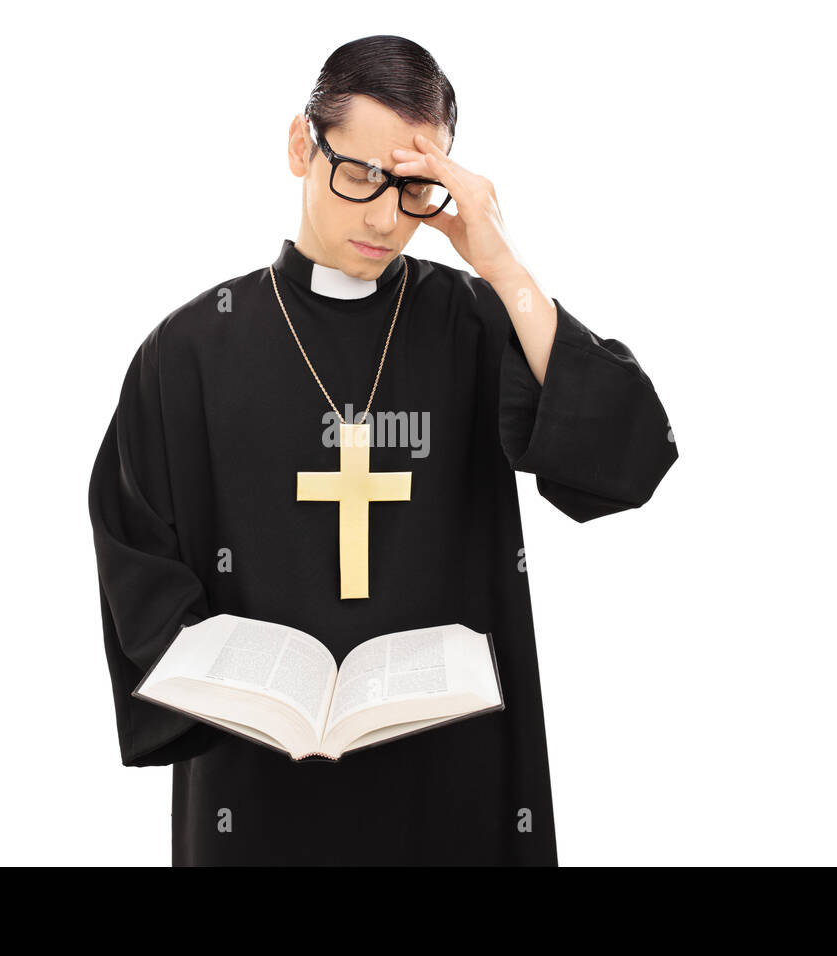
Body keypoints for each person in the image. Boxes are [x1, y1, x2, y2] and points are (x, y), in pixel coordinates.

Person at [88, 34, 678, 865]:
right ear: (302, 146)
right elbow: (135, 557)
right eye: (361, 175)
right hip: (259, 791)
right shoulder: (190, 350)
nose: (384, 217)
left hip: (454, 782)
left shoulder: (474, 323)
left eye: (412, 189)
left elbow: (630, 454)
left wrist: (502, 264)